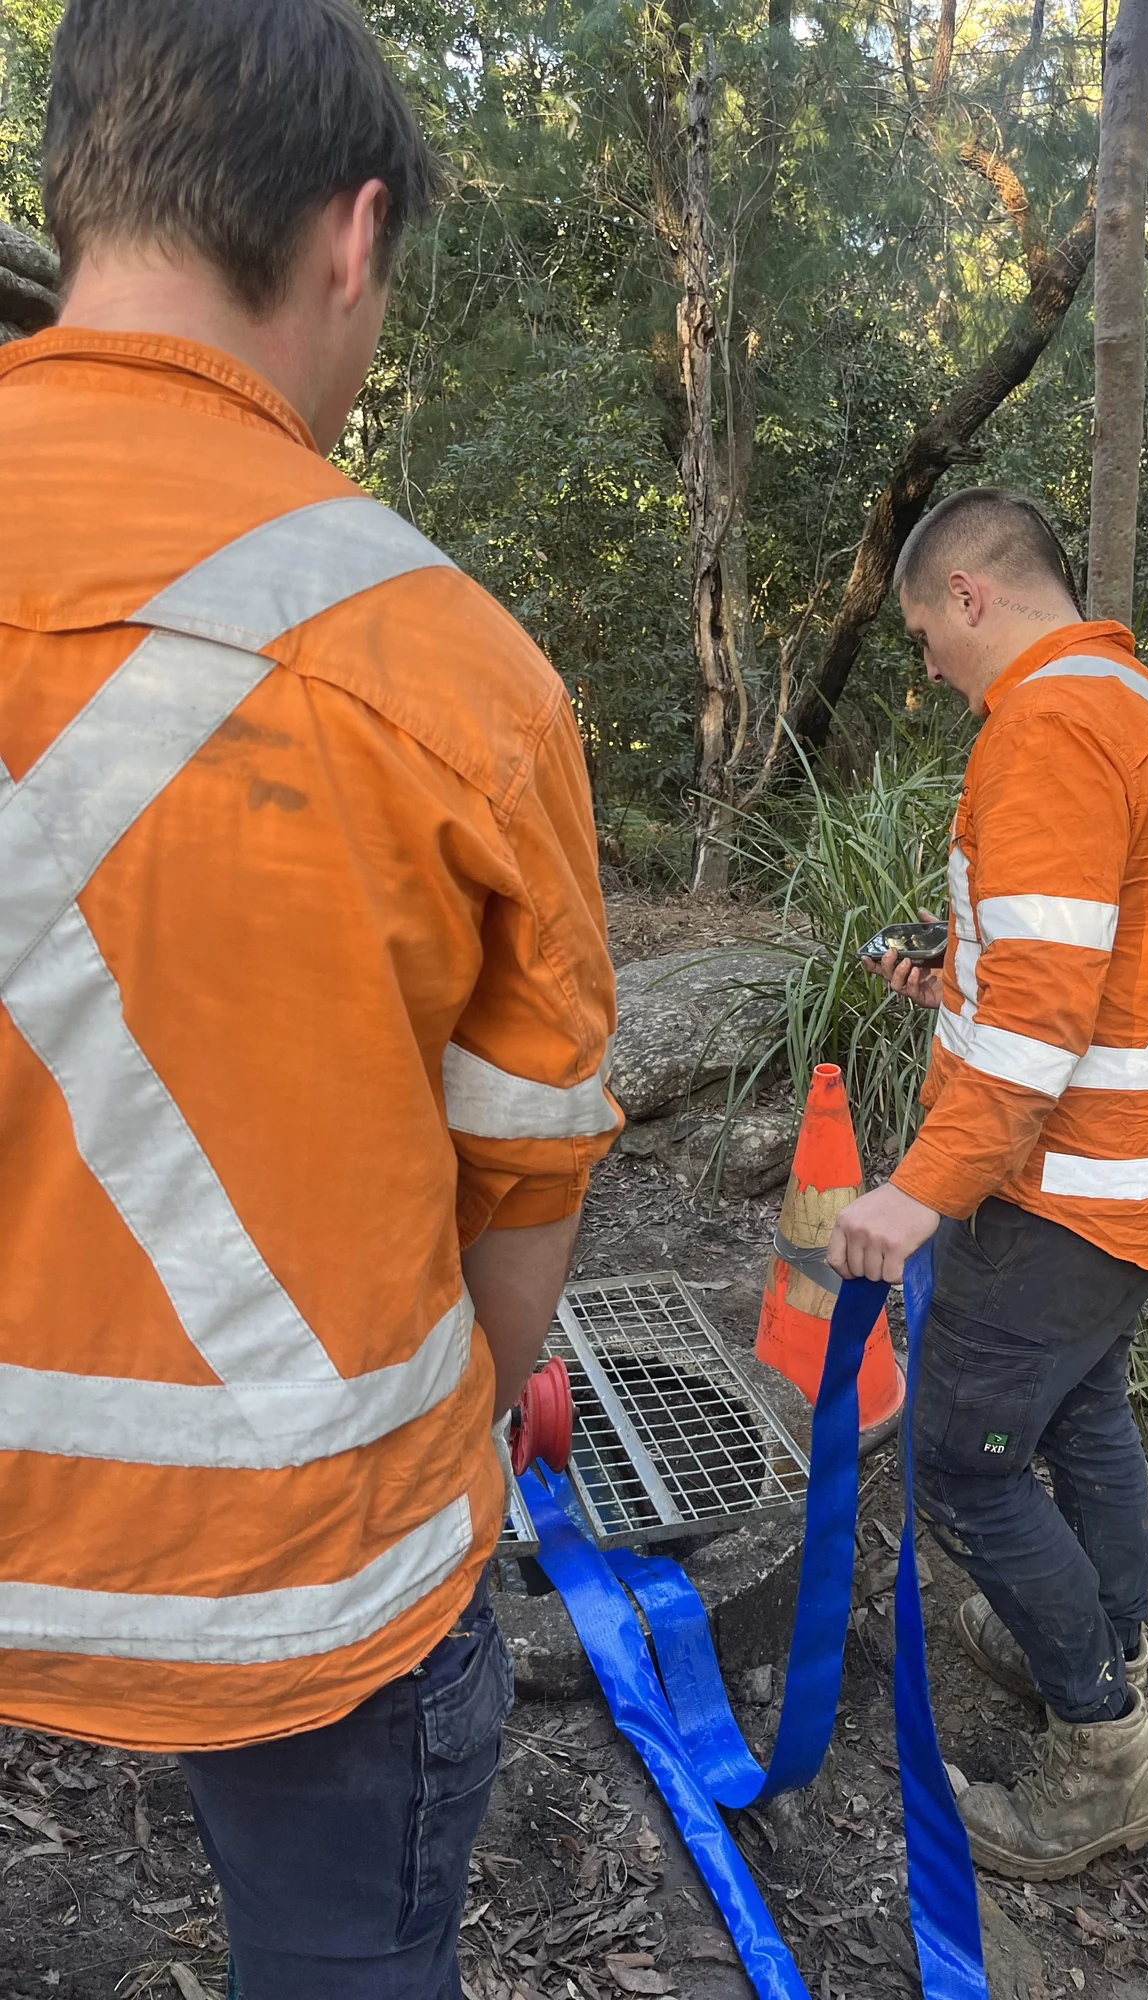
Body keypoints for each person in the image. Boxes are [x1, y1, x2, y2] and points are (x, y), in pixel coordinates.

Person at [0, 2, 619, 1993]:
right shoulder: (462, 675)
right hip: (302, 1585)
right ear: (352, 239)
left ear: (70, 192)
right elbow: (521, 1196)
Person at [827, 488, 1148, 1880]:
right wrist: (944, 976)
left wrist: (919, 1192)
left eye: (925, 632)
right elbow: (1081, 969)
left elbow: (1044, 1026)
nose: (927, 666)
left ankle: (1102, 1751)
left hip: (1062, 1192)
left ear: (971, 598)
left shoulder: (1050, 724)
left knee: (961, 1463)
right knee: (1084, 1416)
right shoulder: (1140, 703)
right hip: (1142, 1186)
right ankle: (1102, 1629)